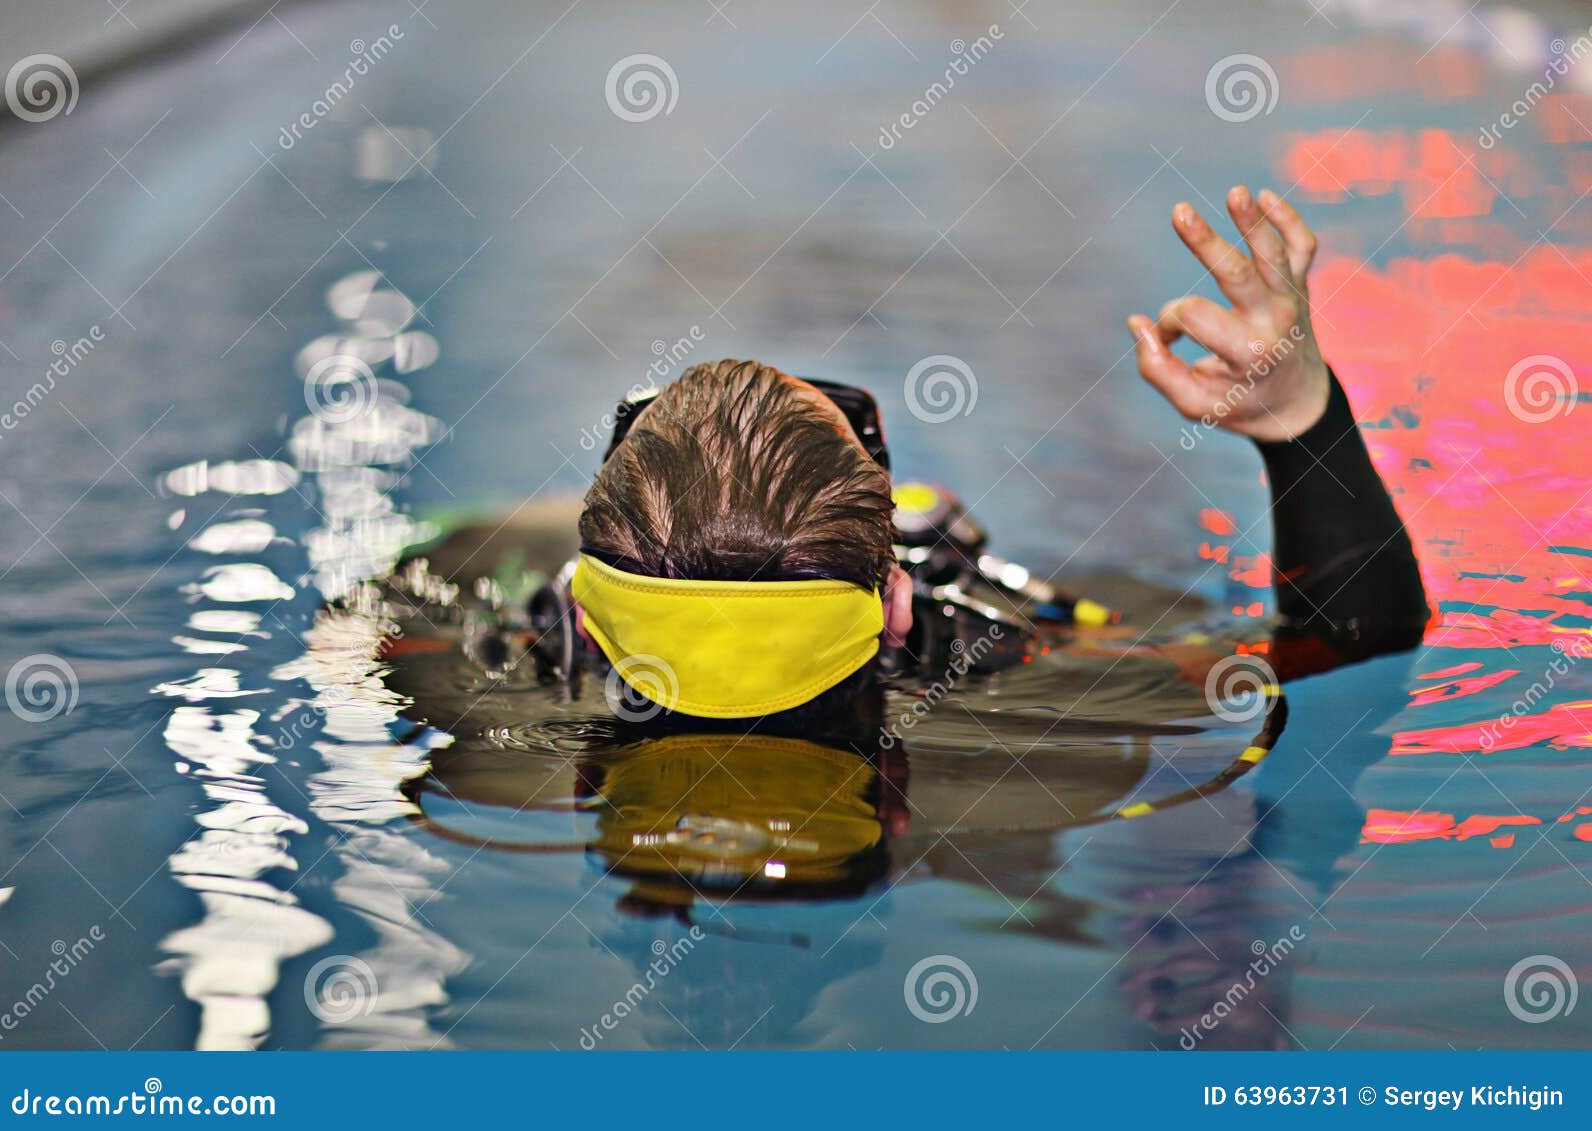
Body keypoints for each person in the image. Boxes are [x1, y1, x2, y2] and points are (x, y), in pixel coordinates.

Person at [566, 186, 1428, 730]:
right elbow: (1349, 645)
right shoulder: (973, 659)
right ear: (896, 605)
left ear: (581, 613)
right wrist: (1303, 423)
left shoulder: (515, 662)